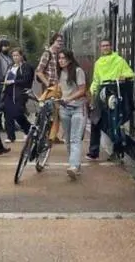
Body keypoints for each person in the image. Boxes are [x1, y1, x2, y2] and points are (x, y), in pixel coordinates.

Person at [89, 40, 135, 161]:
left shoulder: (119, 60)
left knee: (114, 122)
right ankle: (93, 151)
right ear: (100, 48)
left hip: (114, 91)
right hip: (101, 92)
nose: (105, 47)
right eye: (103, 46)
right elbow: (96, 79)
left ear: (111, 47)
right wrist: (93, 92)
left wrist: (123, 77)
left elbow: (130, 73)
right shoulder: (98, 63)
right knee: (95, 121)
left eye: (107, 45)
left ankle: (117, 151)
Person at [56, 50, 87, 179]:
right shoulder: (60, 72)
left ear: (69, 59)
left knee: (75, 138)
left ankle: (73, 166)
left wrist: (69, 98)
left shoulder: (78, 71)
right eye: (59, 58)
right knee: (68, 139)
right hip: (64, 109)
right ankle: (75, 165)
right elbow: (59, 88)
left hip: (78, 108)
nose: (61, 60)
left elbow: (82, 90)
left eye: (63, 58)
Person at [35, 33, 64, 142]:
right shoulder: (47, 54)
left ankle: (52, 136)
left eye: (61, 41)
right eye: (58, 41)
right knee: (48, 111)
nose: (59, 43)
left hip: (58, 87)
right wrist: (47, 83)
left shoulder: (59, 55)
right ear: (53, 41)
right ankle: (45, 135)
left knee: (56, 112)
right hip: (50, 87)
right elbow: (39, 71)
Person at [1, 47, 33, 144]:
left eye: (17, 55)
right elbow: (5, 77)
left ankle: (28, 129)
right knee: (7, 114)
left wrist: (14, 81)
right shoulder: (11, 66)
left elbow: (26, 80)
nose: (15, 57)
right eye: (13, 56)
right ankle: (10, 136)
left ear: (21, 56)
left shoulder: (26, 66)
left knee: (18, 113)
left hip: (20, 93)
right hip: (9, 92)